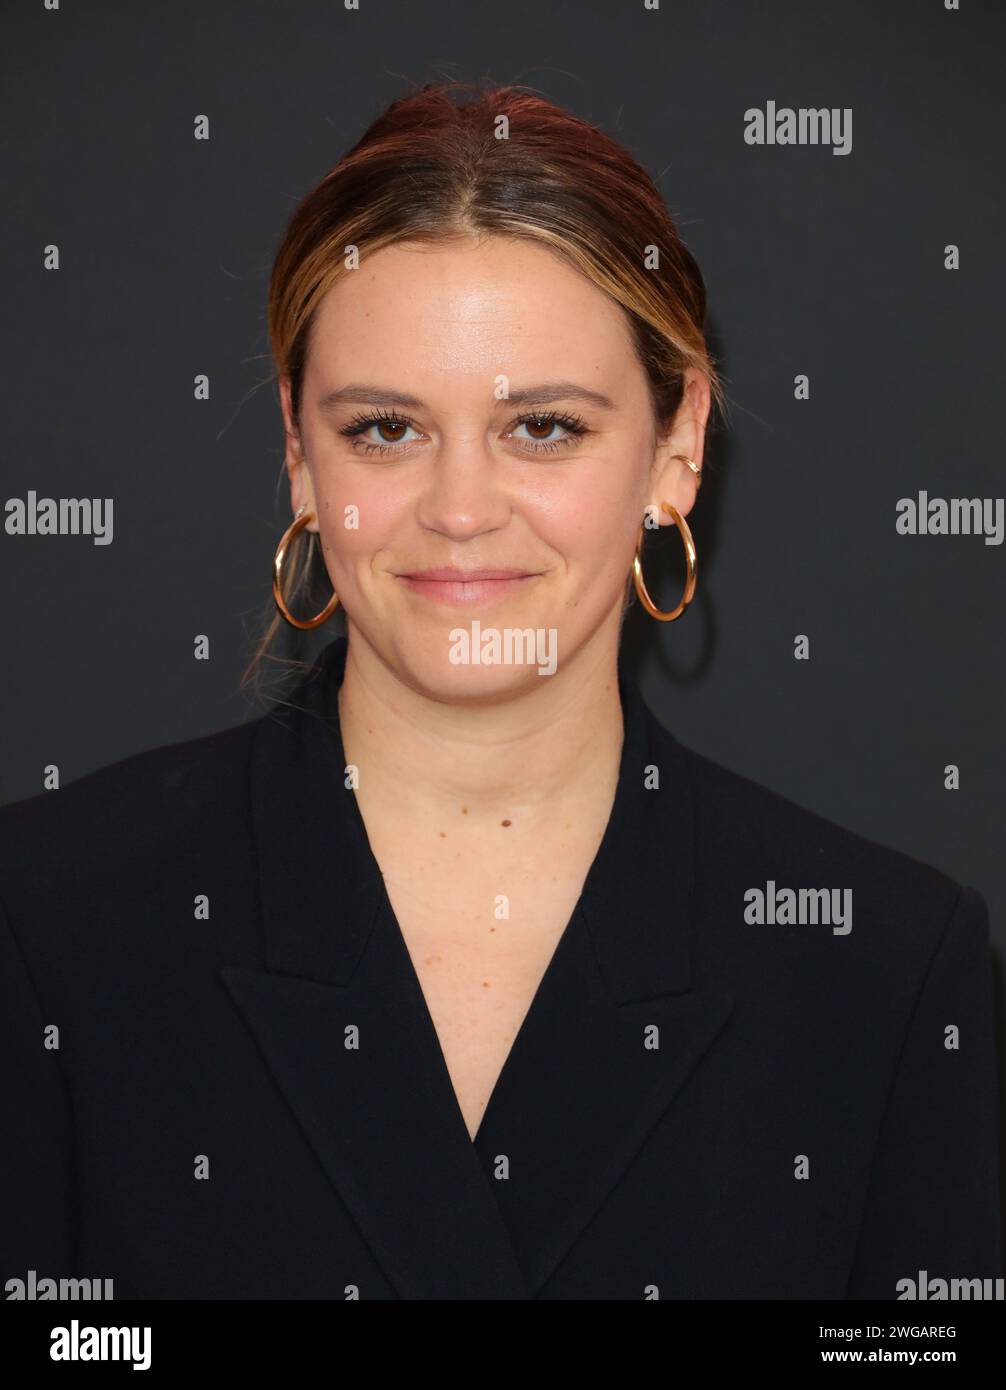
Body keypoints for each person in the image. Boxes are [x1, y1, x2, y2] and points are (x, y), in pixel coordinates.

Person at [1, 81, 1000, 1301]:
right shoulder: (49, 920)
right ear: (297, 450)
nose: (460, 510)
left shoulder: (884, 969)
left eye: (541, 428)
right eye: (383, 429)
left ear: (676, 446)